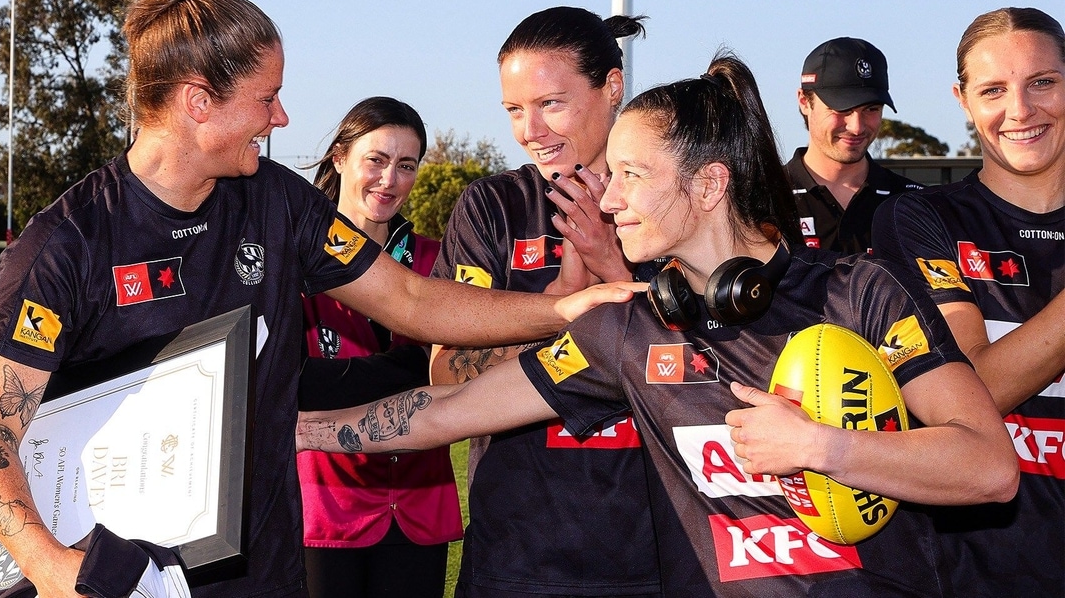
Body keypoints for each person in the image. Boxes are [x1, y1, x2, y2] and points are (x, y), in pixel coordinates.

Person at [0, 0, 637, 597]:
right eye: (268, 98)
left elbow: (410, 299)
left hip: (266, 575)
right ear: (199, 103)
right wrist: (53, 569)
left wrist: (562, 310)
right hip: (118, 576)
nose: (282, 119)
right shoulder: (65, 244)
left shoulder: (280, 203)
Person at [298, 54, 1019, 597]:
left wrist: (820, 447)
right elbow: (446, 410)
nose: (607, 199)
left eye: (631, 176)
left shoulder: (861, 291)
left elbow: (988, 468)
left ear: (708, 184)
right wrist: (294, 428)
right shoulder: (632, 328)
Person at [428, 7, 660, 597]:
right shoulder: (492, 209)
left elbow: (714, 366)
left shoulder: (672, 203)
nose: (530, 130)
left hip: (657, 554)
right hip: (518, 555)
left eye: (550, 103)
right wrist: (555, 305)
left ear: (612, 87)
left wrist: (615, 270)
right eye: (513, 109)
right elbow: (446, 371)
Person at [873, 7, 1065, 598]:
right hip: (975, 571)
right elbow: (975, 391)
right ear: (961, 99)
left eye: (1043, 82)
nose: (1020, 110)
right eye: (993, 90)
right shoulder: (921, 217)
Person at [296, 97, 462, 598]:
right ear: (339, 157)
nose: (390, 180)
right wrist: (413, 366)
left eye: (406, 165)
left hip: (420, 504)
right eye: (377, 160)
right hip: (325, 507)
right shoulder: (296, 258)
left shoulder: (436, 257)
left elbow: (456, 373)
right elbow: (290, 380)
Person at [785, 37, 923, 254]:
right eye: (841, 109)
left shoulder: (914, 203)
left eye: (871, 109)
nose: (857, 127)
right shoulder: (764, 199)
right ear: (804, 102)